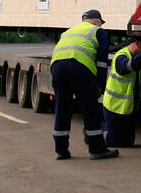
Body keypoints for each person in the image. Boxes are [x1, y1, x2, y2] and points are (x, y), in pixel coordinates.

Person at [49, 9, 119, 160]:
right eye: (100, 23)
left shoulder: (68, 32)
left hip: (57, 67)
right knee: (90, 108)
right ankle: (96, 149)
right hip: (79, 66)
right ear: (96, 21)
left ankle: (60, 150)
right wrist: (99, 86)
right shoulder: (99, 33)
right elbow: (101, 64)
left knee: (62, 108)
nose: (101, 26)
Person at [102, 36, 141, 147]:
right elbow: (126, 67)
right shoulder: (121, 56)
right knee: (112, 141)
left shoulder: (137, 57)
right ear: (136, 43)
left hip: (127, 108)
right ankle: (95, 131)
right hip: (114, 106)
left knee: (127, 142)